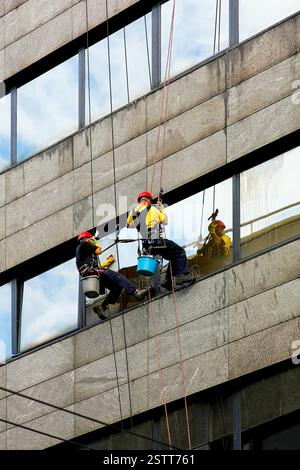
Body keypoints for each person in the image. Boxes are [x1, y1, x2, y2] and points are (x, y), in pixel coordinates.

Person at [127, 191, 193, 290]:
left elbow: (129, 225)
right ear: (149, 200)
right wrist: (161, 209)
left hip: (147, 246)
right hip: (156, 241)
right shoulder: (153, 209)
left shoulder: (133, 212)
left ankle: (168, 282)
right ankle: (181, 278)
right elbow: (165, 222)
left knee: (174, 257)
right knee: (179, 252)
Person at [76, 232, 147, 320]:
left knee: (117, 288)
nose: (91, 241)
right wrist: (95, 242)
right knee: (118, 277)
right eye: (90, 239)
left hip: (92, 275)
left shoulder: (80, 250)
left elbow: (90, 262)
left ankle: (102, 307)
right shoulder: (85, 244)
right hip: (94, 273)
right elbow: (98, 251)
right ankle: (136, 292)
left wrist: (107, 262)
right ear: (87, 238)